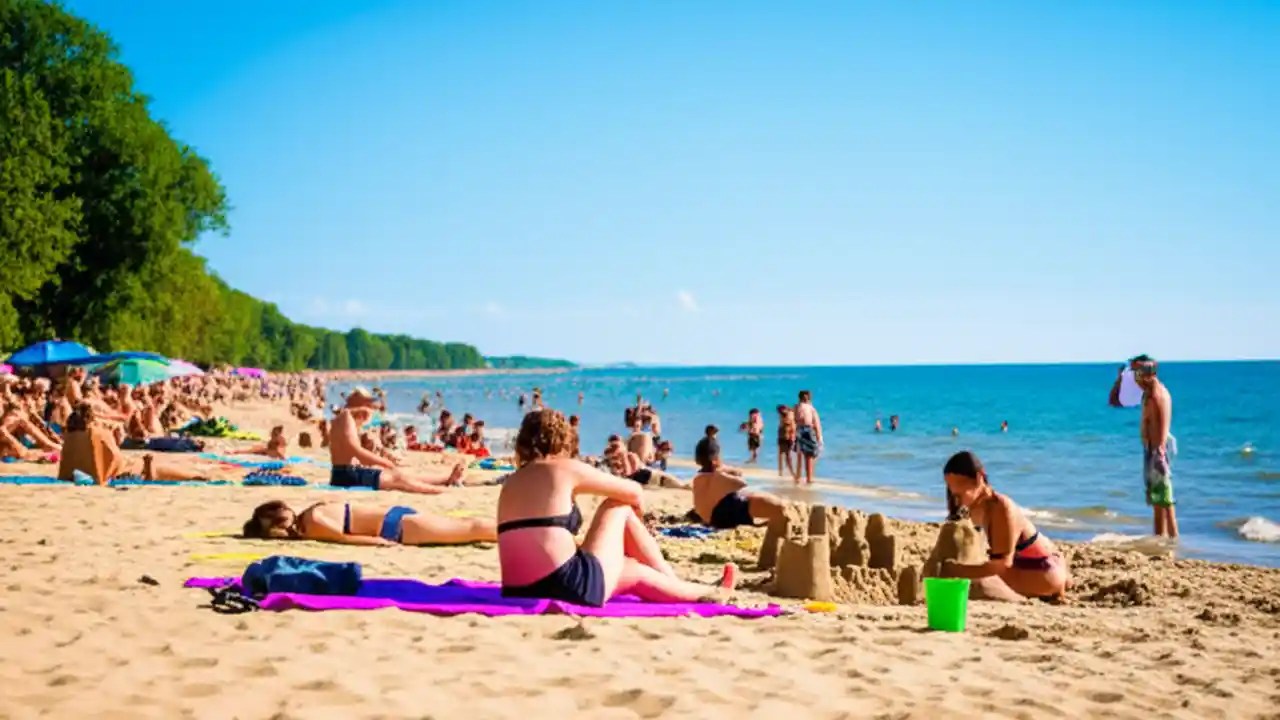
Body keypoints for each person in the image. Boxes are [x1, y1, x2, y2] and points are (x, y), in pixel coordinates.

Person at [496, 409, 735, 607]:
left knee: (633, 570)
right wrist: (640, 519)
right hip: (564, 585)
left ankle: (690, 589)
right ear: (563, 440)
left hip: (518, 589)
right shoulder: (563, 468)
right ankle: (690, 587)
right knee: (618, 506)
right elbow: (633, 491)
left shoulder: (512, 481)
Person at [940, 451, 1069, 602]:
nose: (957, 501)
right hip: (1036, 564)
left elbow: (1002, 565)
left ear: (979, 478)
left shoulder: (1001, 507)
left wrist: (956, 570)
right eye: (953, 494)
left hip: (1043, 570)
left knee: (977, 583)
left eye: (961, 494)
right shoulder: (977, 506)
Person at [329, 388, 463, 493]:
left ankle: (446, 479)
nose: (369, 407)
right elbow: (355, 451)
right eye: (366, 403)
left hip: (345, 473)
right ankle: (441, 490)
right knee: (398, 478)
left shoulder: (345, 418)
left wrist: (384, 457)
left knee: (400, 475)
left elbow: (351, 451)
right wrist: (386, 463)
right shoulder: (346, 419)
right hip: (347, 475)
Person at [242, 499, 496, 546]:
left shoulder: (313, 522)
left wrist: (378, 542)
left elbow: (345, 539)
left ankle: (518, 530)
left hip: (394, 527)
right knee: (468, 526)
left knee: (471, 529)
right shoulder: (314, 510)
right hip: (396, 516)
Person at [691, 434, 787, 529]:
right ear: (716, 457)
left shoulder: (697, 479)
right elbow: (742, 483)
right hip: (725, 517)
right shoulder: (719, 476)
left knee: (735, 495)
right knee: (780, 507)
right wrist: (724, 470)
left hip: (711, 519)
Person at [1136, 359, 1178, 538]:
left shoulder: (1156, 395)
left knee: (1165, 501)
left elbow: (1160, 426)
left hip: (1157, 450)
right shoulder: (1154, 393)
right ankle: (1160, 538)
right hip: (1155, 449)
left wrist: (1158, 453)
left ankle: (1171, 538)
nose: (1136, 380)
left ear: (1147, 376)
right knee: (1159, 501)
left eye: (1138, 375)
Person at [793, 390, 822, 484]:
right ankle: (804, 478)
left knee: (805, 455)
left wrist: (819, 436)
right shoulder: (806, 407)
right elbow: (816, 423)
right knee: (805, 455)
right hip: (803, 429)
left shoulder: (801, 407)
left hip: (804, 429)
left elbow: (816, 423)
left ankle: (804, 477)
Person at [776, 406, 797, 479]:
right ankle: (781, 472)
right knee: (781, 455)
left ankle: (792, 473)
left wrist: (792, 437)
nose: (779, 413)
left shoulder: (790, 415)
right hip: (782, 437)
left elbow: (793, 427)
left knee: (787, 456)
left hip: (787, 438)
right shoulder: (782, 416)